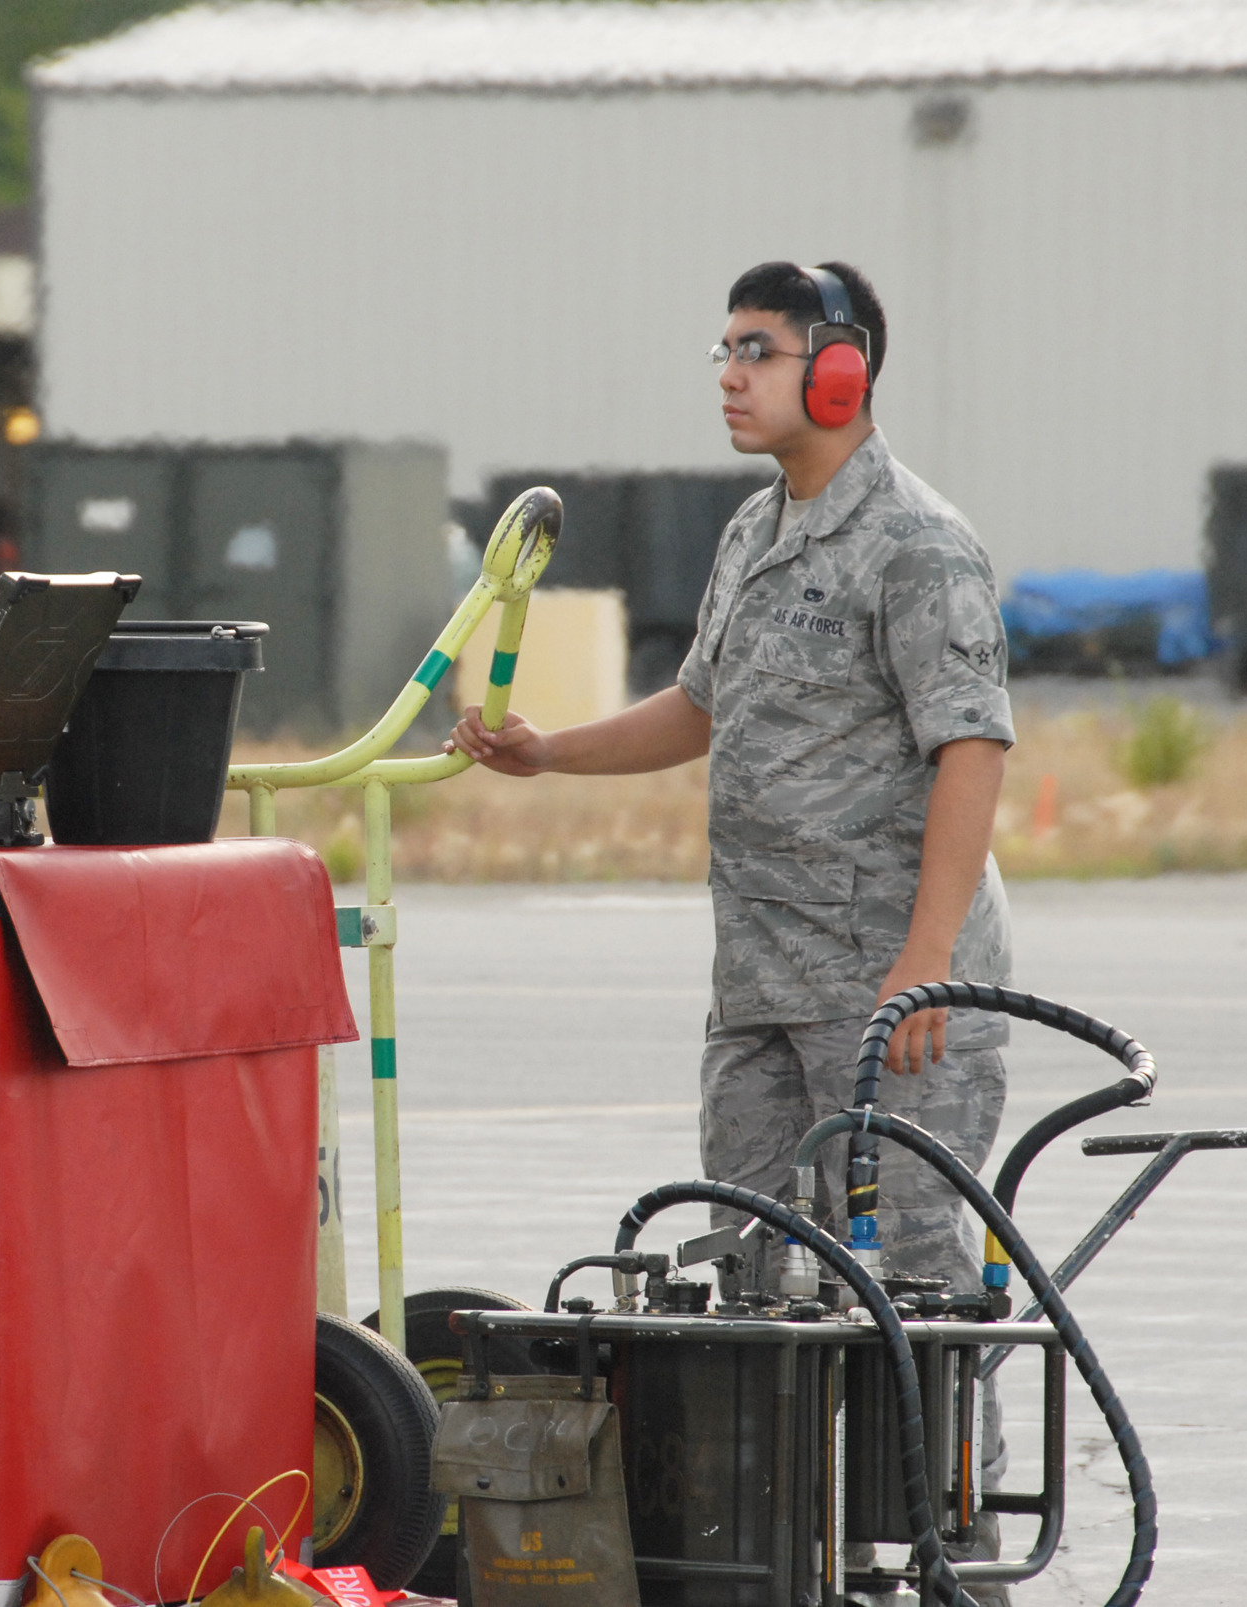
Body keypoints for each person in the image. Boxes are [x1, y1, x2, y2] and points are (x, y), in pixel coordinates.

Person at [447, 261, 1013, 1574]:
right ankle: (774, 1569)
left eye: (756, 351)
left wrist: (924, 969)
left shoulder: (918, 545)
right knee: (747, 1297)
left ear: (841, 369)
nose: (728, 376)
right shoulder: (754, 535)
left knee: (921, 1301)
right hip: (758, 986)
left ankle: (947, 1566)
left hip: (888, 996)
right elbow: (697, 710)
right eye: (722, 350)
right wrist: (549, 753)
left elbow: (970, 750)